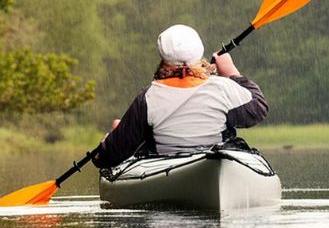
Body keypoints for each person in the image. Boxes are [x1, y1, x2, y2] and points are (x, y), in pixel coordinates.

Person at [93, 24, 269, 168]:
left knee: (121, 129)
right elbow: (258, 108)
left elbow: (109, 157)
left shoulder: (148, 98)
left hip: (165, 167)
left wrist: (109, 140)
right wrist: (230, 71)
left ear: (163, 58)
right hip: (216, 159)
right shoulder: (223, 88)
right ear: (199, 54)